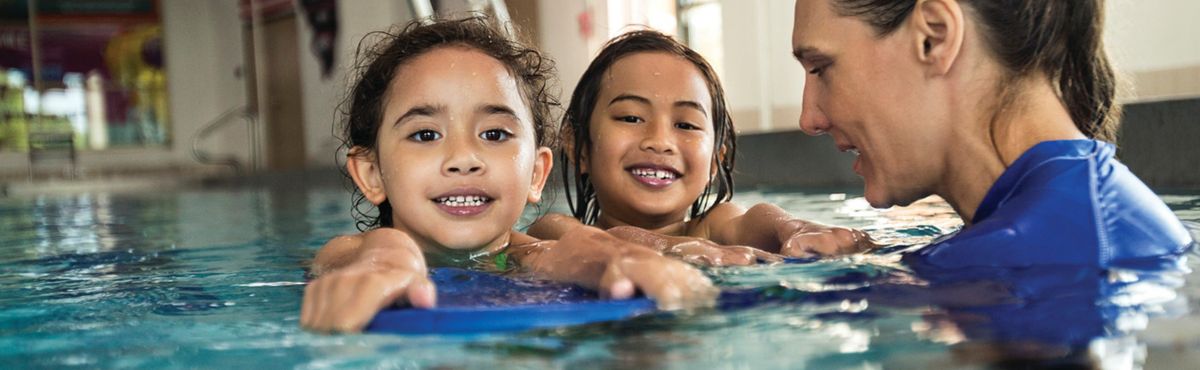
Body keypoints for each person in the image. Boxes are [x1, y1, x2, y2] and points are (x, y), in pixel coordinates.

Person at [300, 17, 716, 333]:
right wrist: (390, 256)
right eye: (425, 134)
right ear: (371, 173)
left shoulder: (535, 254)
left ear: (536, 173)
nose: (464, 158)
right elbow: (356, 257)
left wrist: (615, 259)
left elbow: (569, 254)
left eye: (494, 134)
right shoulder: (353, 253)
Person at [789, 0, 1193, 268]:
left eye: (821, 68)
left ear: (934, 36)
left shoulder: (1036, 259)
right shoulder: (1067, 222)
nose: (810, 119)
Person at [528, 30, 875, 262]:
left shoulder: (715, 228)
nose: (660, 141)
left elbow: (757, 219)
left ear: (714, 161)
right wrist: (670, 248)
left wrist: (796, 229)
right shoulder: (555, 230)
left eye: (686, 125)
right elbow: (595, 243)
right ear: (577, 146)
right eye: (631, 118)